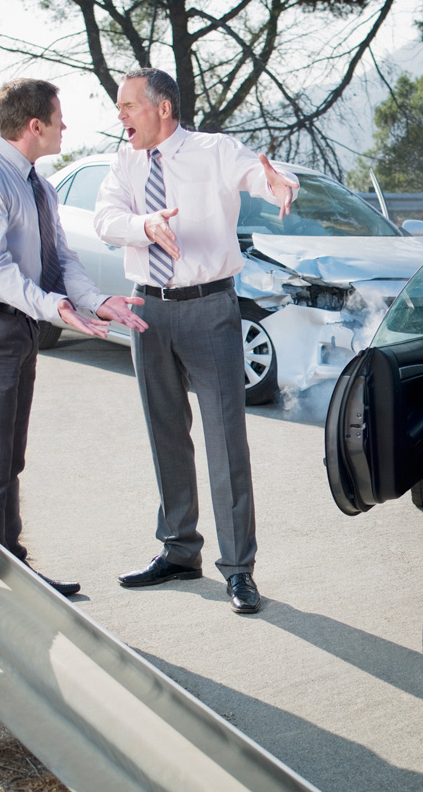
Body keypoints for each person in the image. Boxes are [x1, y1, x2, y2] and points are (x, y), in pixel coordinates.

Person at [93, 68, 297, 614]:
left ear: (162, 108)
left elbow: (259, 177)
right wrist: (145, 226)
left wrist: (280, 184)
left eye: (129, 106)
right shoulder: (124, 162)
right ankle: (179, 550)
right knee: (166, 434)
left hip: (209, 309)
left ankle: (238, 570)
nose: (121, 117)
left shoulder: (213, 150)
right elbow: (106, 218)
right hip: (148, 310)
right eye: (119, 108)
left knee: (225, 440)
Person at [0, 78, 148, 598]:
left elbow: (59, 261)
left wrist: (95, 301)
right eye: (59, 118)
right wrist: (54, 306)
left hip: (18, 326)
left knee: (9, 458)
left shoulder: (39, 185)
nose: (64, 126)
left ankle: (10, 567)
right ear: (35, 125)